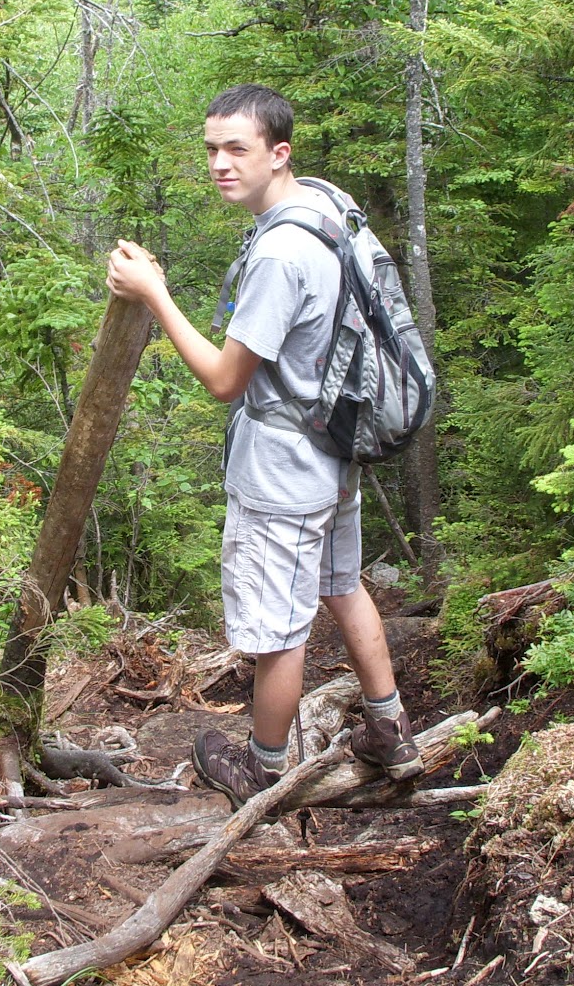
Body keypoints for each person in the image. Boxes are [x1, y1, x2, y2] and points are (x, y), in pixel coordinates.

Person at [105, 83, 422, 808]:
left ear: (279, 154)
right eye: (211, 148)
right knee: (341, 585)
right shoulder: (319, 206)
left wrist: (154, 293)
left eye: (236, 149)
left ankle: (263, 768)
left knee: (279, 629)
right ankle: (389, 730)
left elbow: (224, 377)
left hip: (285, 465)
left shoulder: (282, 253)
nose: (219, 163)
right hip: (333, 445)